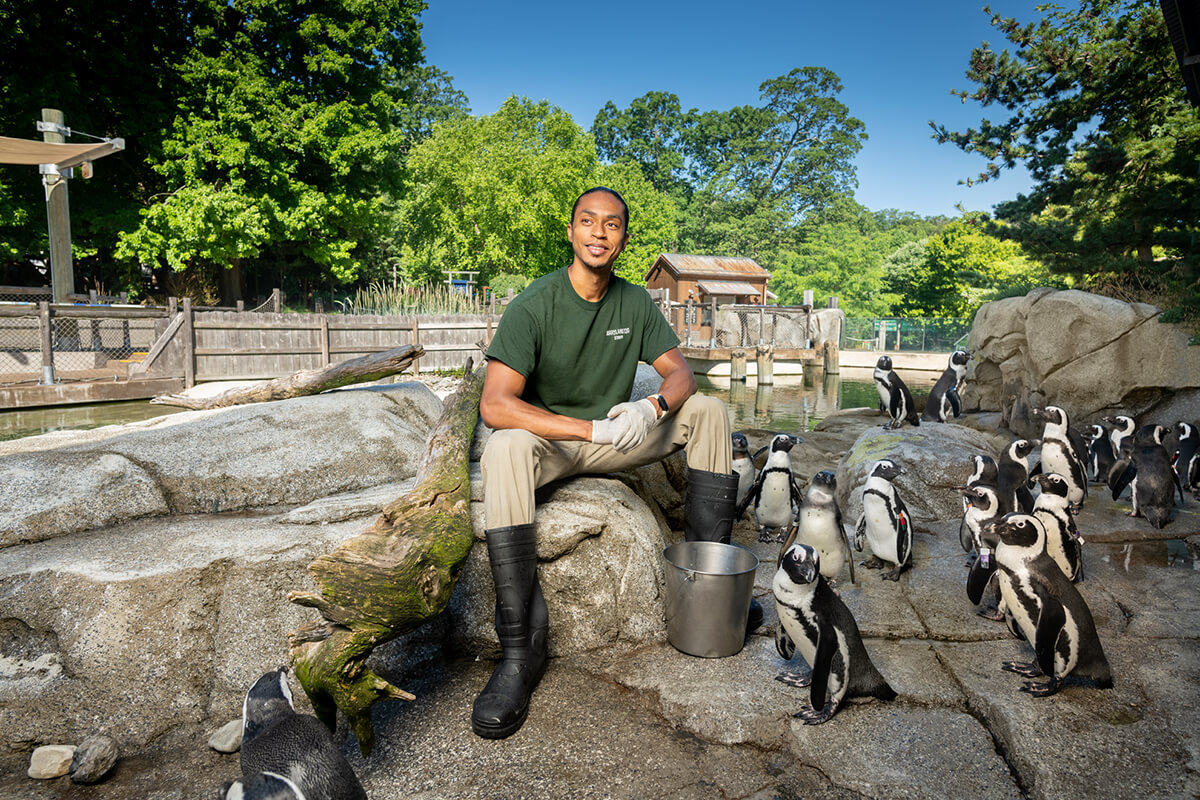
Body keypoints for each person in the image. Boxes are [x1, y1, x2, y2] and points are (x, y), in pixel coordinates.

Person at [473, 186, 756, 740]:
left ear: (623, 238)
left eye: (612, 225)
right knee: (504, 445)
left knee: (711, 412)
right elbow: (495, 404)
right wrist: (586, 427)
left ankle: (708, 591)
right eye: (588, 222)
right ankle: (519, 653)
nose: (599, 233)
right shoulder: (534, 304)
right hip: (553, 441)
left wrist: (650, 407)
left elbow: (682, 375)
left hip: (617, 436)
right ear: (571, 231)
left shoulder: (633, 303)